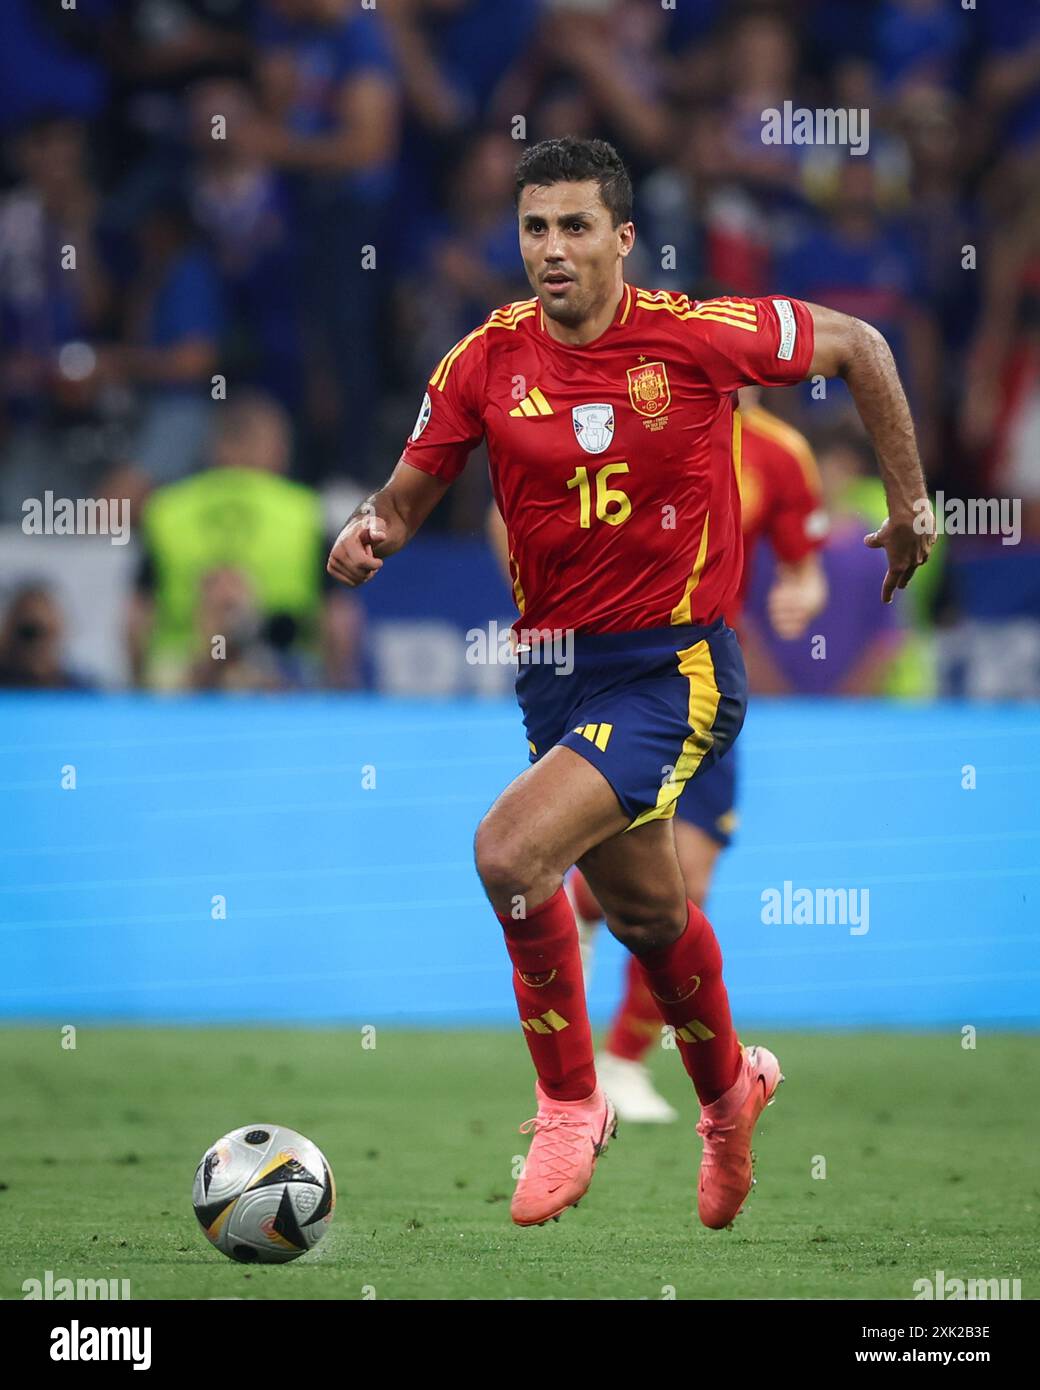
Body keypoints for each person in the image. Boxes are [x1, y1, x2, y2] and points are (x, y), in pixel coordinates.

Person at [326, 137, 934, 1231]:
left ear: (621, 237)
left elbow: (859, 344)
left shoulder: (696, 336)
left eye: (571, 227)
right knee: (651, 914)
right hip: (554, 677)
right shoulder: (481, 362)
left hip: (675, 665)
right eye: (531, 228)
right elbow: (408, 495)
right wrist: (372, 530)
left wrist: (909, 502)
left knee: (510, 852)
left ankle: (569, 1103)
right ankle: (728, 1094)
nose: (549, 250)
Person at [486, 389, 829, 1122]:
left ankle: (624, 1062)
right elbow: (520, 506)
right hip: (615, 677)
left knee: (686, 880)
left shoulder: (782, 454)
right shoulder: (637, 427)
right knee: (645, 884)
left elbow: (803, 562)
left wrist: (801, 591)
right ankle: (598, 1063)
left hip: (701, 681)